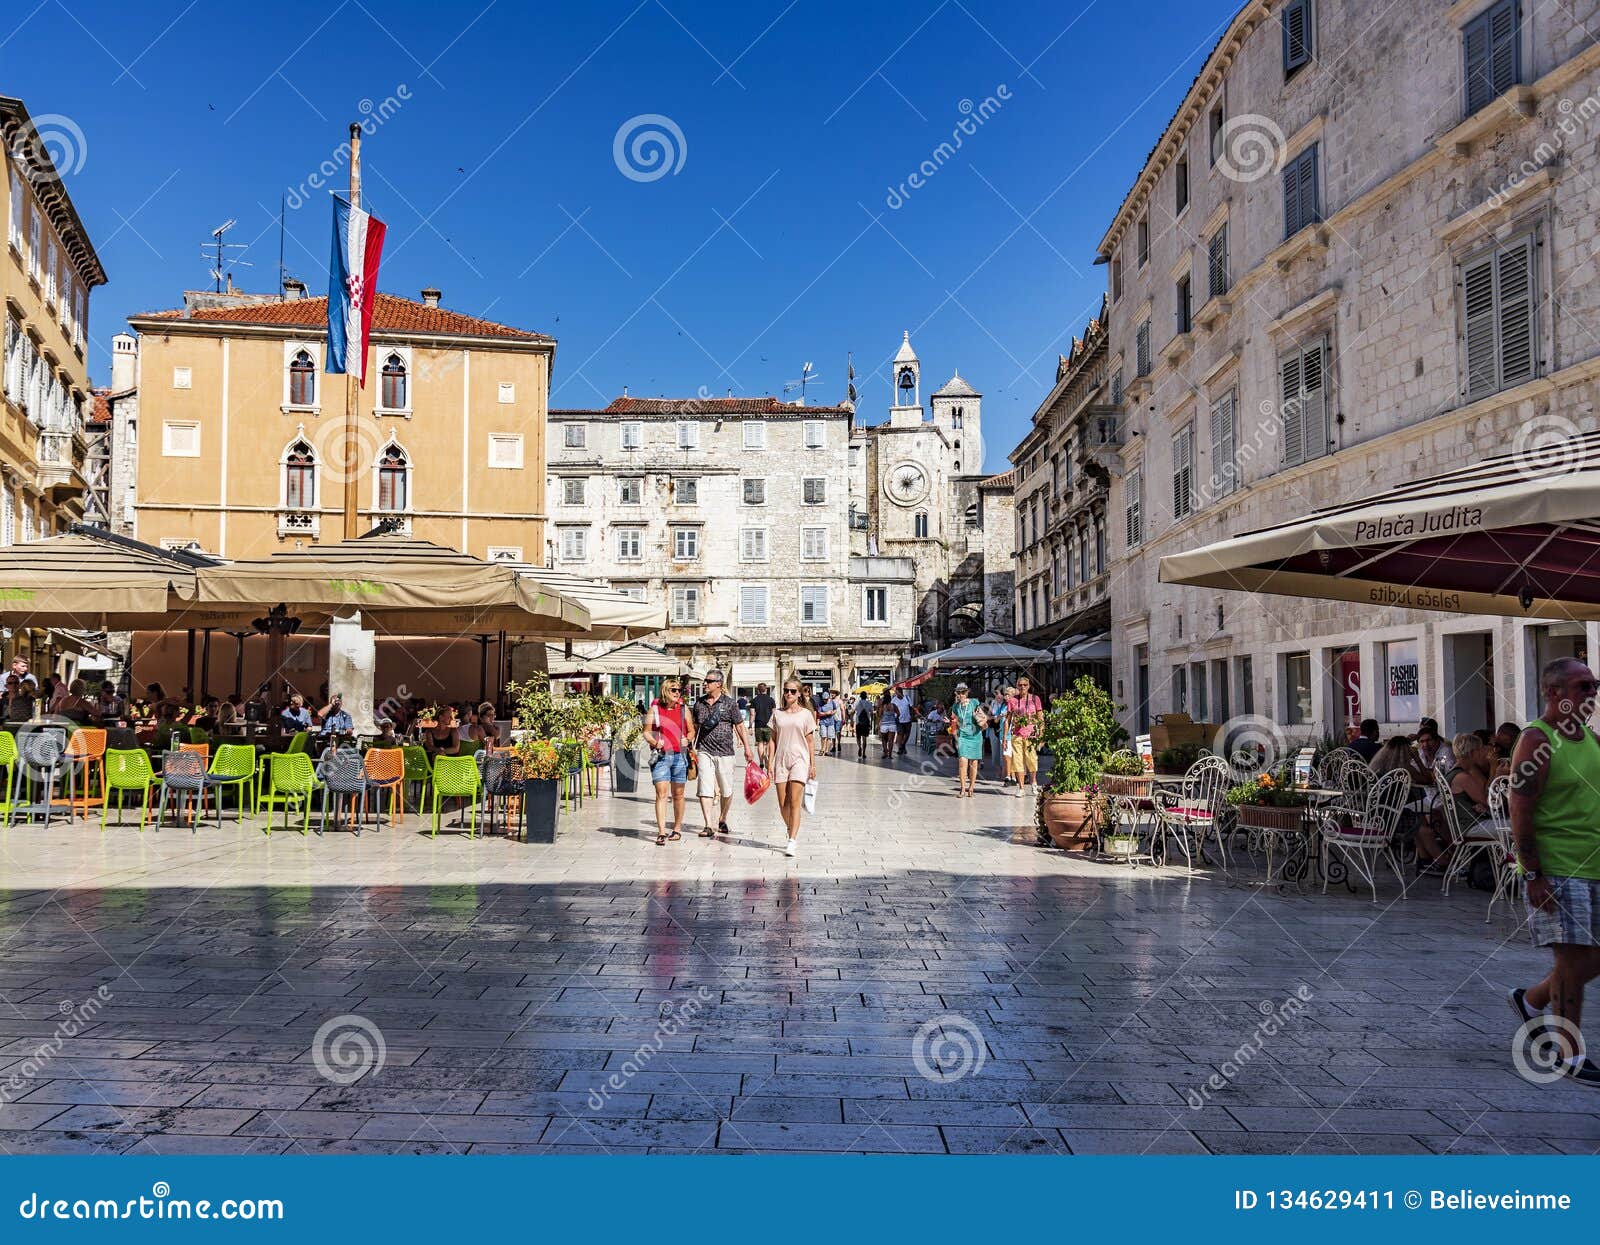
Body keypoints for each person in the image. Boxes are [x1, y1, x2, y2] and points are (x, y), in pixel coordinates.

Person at [1510, 657, 1600, 1087]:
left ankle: (1530, 1000)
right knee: (1571, 958)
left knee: (1590, 957)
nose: (1592, 694)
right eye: (1583, 686)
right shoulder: (1536, 739)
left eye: (1594, 686)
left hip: (1596, 862)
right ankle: (1570, 1053)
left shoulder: (1591, 739)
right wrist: (1533, 874)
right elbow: (1521, 808)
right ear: (1554, 693)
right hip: (1561, 866)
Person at [690, 668, 756, 839]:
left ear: (718, 684)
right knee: (705, 787)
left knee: (726, 790)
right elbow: (696, 727)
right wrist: (690, 745)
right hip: (705, 750)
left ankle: (722, 818)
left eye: (708, 681)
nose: (705, 683)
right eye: (705, 681)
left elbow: (739, 725)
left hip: (726, 751)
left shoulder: (729, 703)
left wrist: (748, 748)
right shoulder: (699, 703)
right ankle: (708, 824)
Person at [770, 679, 817, 858]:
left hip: (800, 760)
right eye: (786, 691)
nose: (788, 694)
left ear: (799, 694)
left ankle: (792, 840)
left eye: (792, 691)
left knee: (795, 801)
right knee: (783, 804)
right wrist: (769, 762)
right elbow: (772, 739)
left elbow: (811, 741)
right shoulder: (777, 714)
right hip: (781, 760)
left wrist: (812, 765)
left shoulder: (806, 714)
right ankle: (791, 827)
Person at [645, 681, 695, 846]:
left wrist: (687, 739)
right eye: (674, 690)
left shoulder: (683, 709)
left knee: (679, 795)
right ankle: (661, 832)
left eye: (679, 690)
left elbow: (691, 730)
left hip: (680, 756)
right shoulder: (655, 710)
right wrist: (654, 741)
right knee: (662, 794)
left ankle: (677, 829)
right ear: (666, 690)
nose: (677, 692)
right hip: (661, 757)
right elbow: (646, 732)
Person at [1005, 677, 1044, 797]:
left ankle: (1033, 782)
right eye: (1020, 685)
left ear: (1029, 686)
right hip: (1016, 735)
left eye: (1025, 685)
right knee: (1017, 761)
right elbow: (1008, 719)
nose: (1022, 687)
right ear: (1017, 686)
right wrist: (1006, 737)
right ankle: (1021, 788)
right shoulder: (1012, 700)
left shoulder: (1034, 699)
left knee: (1031, 760)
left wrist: (1041, 734)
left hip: (1031, 735)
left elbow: (1040, 717)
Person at [951, 684, 987, 796]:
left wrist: (981, 721)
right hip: (963, 736)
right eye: (959, 692)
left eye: (963, 692)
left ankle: (971, 788)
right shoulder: (955, 707)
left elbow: (982, 716)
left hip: (975, 735)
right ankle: (962, 788)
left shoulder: (974, 703)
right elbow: (955, 721)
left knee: (974, 763)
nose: (961, 695)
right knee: (962, 761)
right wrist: (955, 736)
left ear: (967, 692)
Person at [749, 683, 777, 770]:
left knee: (760, 743)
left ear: (758, 690)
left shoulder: (754, 700)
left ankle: (761, 762)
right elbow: (774, 713)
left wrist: (750, 725)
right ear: (766, 690)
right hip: (769, 725)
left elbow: (752, 714)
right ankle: (766, 756)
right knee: (768, 743)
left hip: (758, 724)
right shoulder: (771, 700)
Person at [816, 688, 841, 756]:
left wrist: (832, 713)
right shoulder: (820, 703)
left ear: (828, 698)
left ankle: (827, 751)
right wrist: (826, 713)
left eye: (826, 699)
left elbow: (835, 709)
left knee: (829, 736)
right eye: (824, 699)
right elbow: (819, 713)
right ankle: (822, 750)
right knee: (823, 736)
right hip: (823, 722)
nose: (825, 700)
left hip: (831, 722)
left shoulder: (832, 702)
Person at [891, 687, 914, 758]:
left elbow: (911, 707)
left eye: (897, 692)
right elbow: (891, 709)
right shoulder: (894, 700)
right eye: (896, 693)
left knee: (907, 734)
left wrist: (912, 716)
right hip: (899, 720)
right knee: (900, 734)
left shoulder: (907, 698)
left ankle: (903, 745)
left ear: (901, 692)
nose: (896, 694)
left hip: (908, 719)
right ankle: (900, 748)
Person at [853, 691, 874, 761]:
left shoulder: (857, 703)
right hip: (866, 722)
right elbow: (871, 712)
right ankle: (864, 752)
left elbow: (853, 710)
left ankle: (859, 747)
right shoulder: (869, 703)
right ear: (866, 696)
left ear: (860, 696)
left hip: (858, 722)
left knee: (858, 737)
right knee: (864, 738)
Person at [878, 694, 898, 761]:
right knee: (891, 741)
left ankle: (885, 753)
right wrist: (894, 717)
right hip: (892, 724)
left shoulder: (882, 706)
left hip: (884, 724)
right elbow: (899, 713)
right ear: (890, 699)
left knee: (884, 740)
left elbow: (880, 715)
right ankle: (890, 755)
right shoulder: (893, 705)